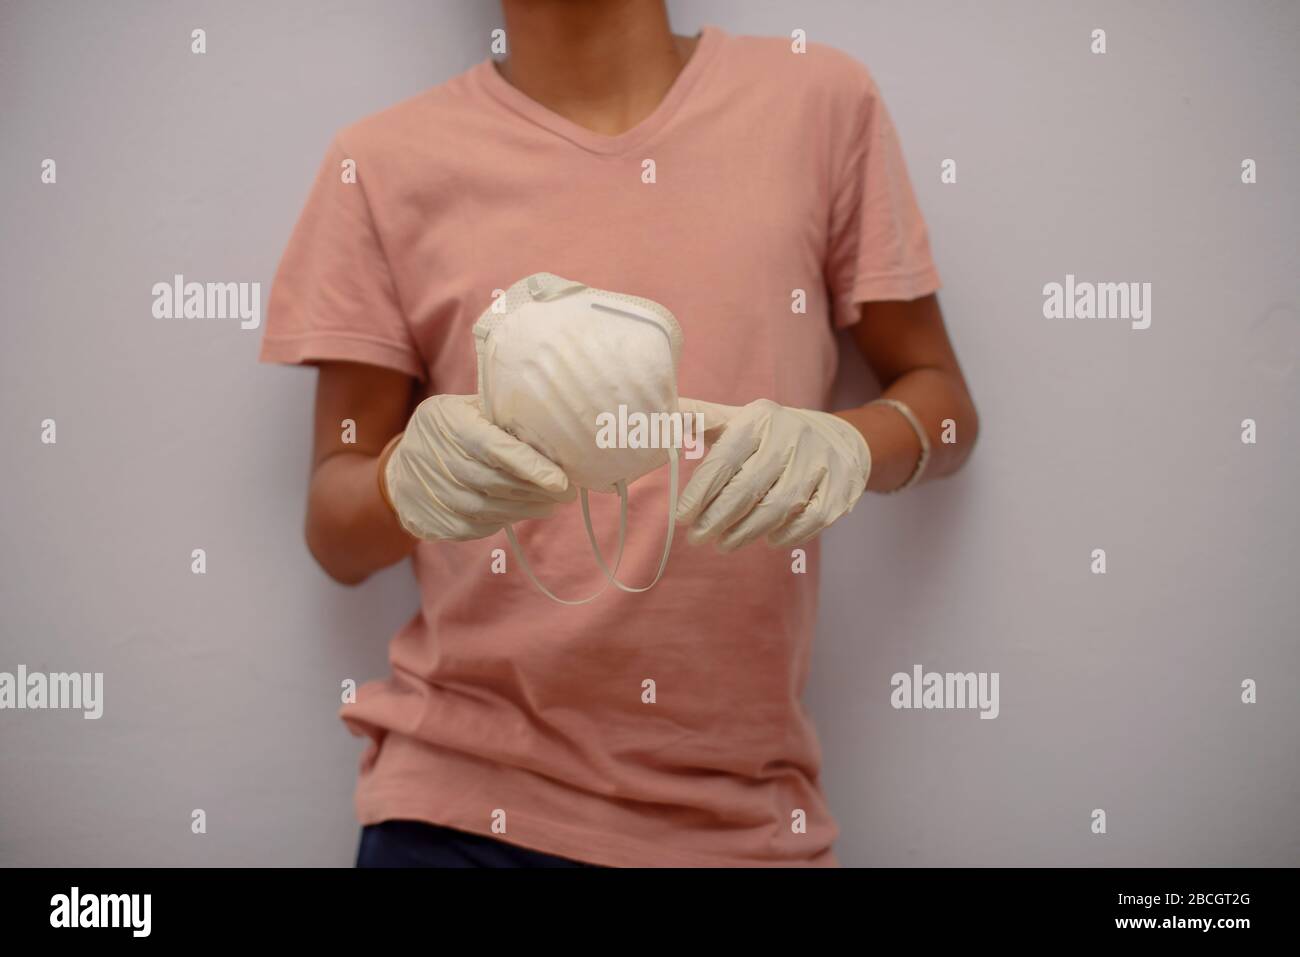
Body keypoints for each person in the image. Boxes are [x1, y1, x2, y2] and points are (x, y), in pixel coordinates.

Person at [260, 0, 978, 868]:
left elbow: (942, 403)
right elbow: (335, 530)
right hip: (463, 810)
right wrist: (403, 482)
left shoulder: (817, 102)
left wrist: (856, 446)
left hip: (745, 821)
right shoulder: (379, 166)